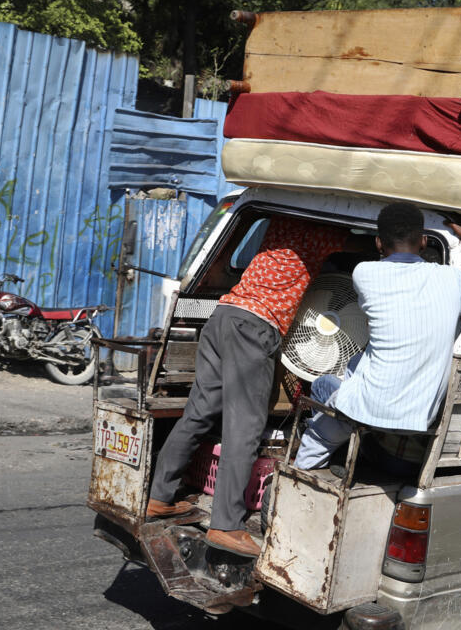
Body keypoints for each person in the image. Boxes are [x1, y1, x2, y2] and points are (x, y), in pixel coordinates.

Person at [148, 217, 350, 558]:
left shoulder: (277, 226)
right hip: (255, 326)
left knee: (198, 413)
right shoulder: (327, 232)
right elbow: (362, 252)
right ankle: (226, 525)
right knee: (245, 428)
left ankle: (159, 497)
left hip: (223, 314)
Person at [293, 203, 461, 470]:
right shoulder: (452, 279)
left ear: (379, 243)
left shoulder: (364, 273)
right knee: (356, 367)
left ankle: (304, 468)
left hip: (367, 409)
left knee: (322, 386)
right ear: (424, 242)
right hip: (419, 416)